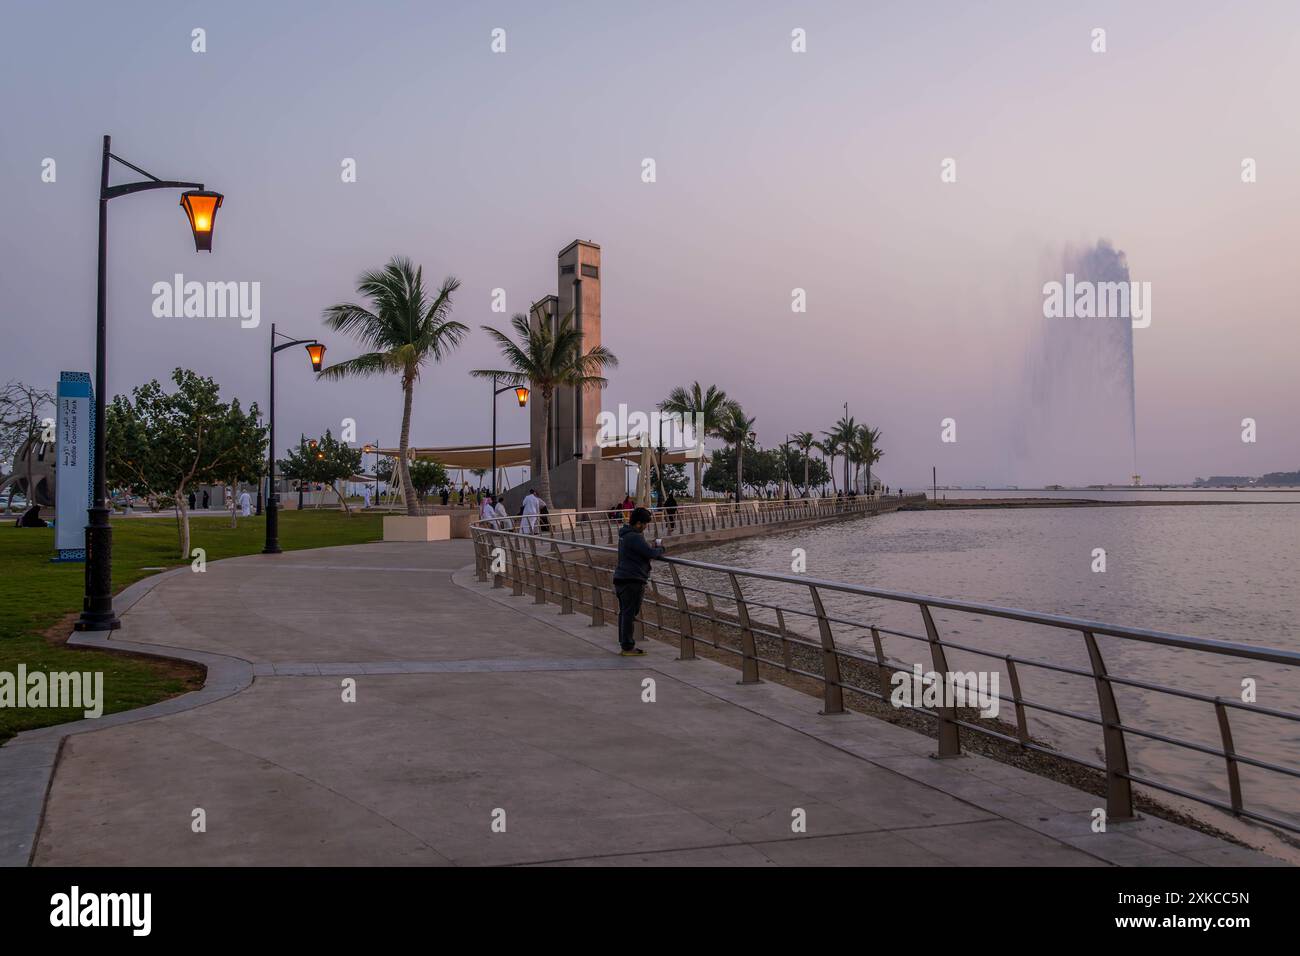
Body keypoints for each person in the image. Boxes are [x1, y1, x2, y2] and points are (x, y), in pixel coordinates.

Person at [612, 507, 664, 656]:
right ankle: (627, 646)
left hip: (622, 578)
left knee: (625, 612)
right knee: (629, 613)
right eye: (646, 524)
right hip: (632, 580)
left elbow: (641, 551)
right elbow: (650, 553)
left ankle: (625, 643)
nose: (646, 527)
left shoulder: (624, 535)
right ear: (639, 523)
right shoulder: (634, 537)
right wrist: (661, 548)